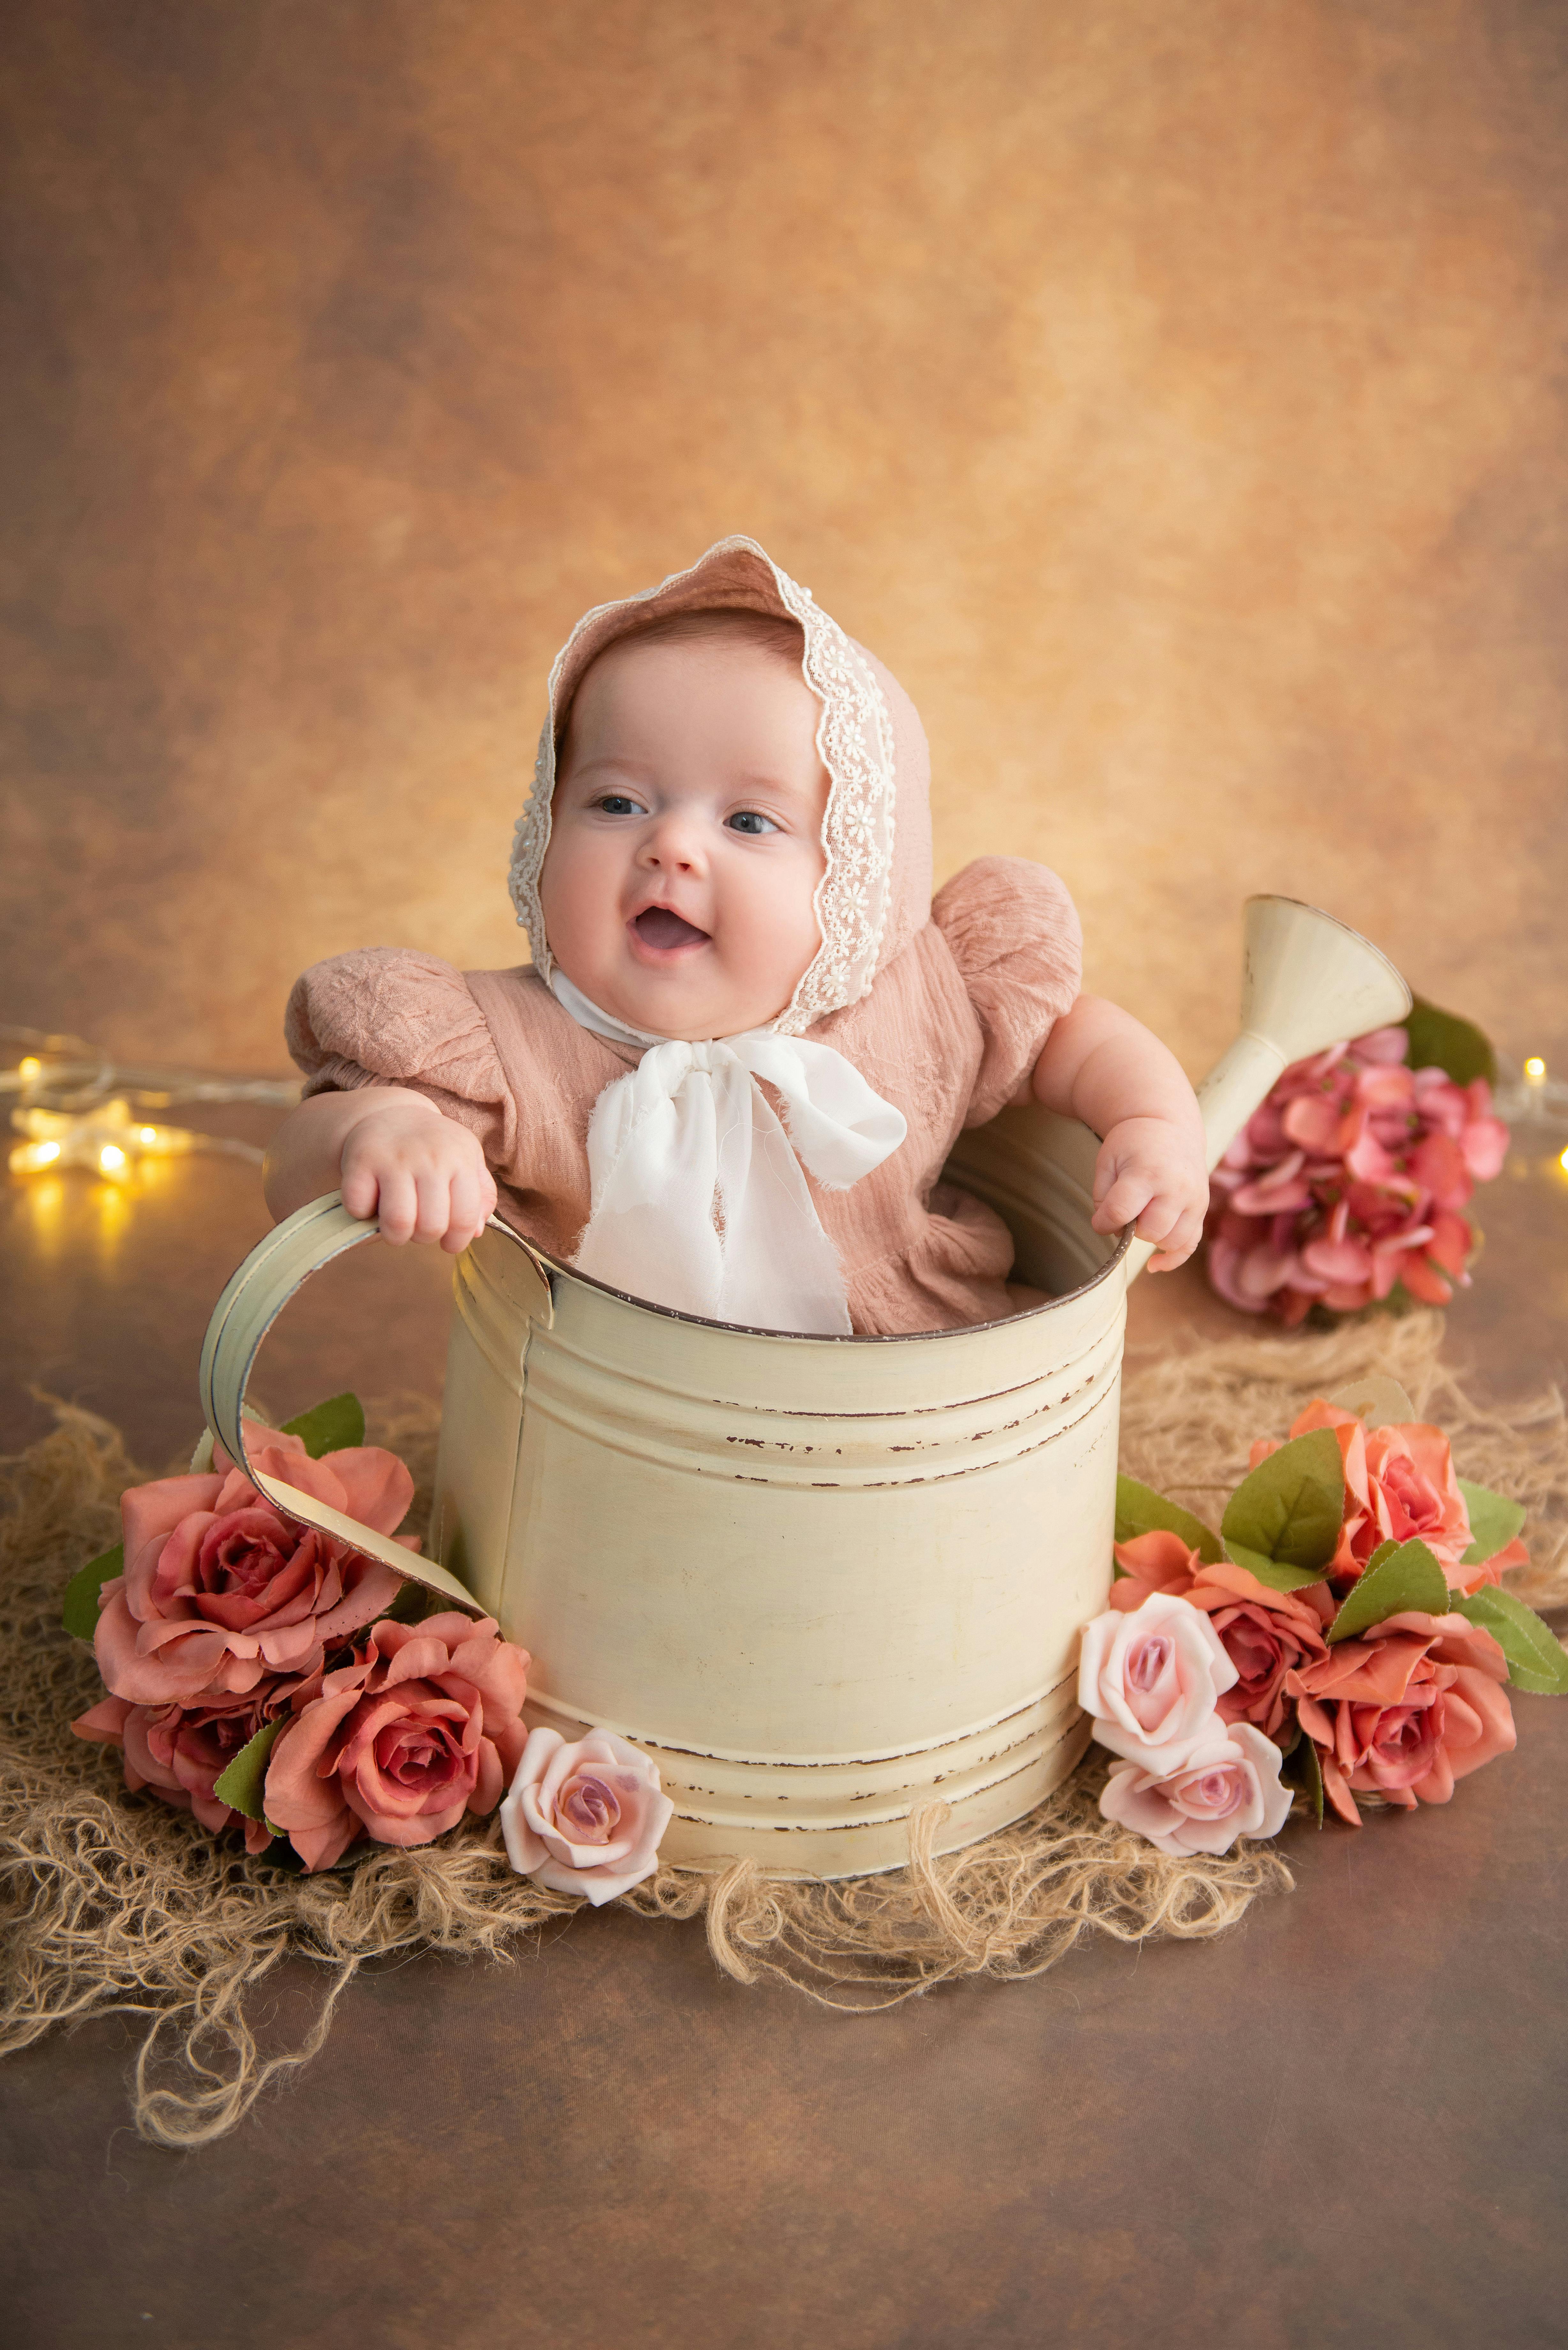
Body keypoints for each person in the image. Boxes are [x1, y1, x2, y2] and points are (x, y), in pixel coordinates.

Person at [265, 538, 1208, 1335]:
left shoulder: (918, 993)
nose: (669, 845)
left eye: (749, 822)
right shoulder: (501, 1051)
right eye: (617, 801)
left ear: (863, 880)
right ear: (544, 830)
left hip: (919, 1373)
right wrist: (379, 1134)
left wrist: (1154, 1124)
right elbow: (293, 1169)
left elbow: (1073, 1040)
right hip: (620, 1419)